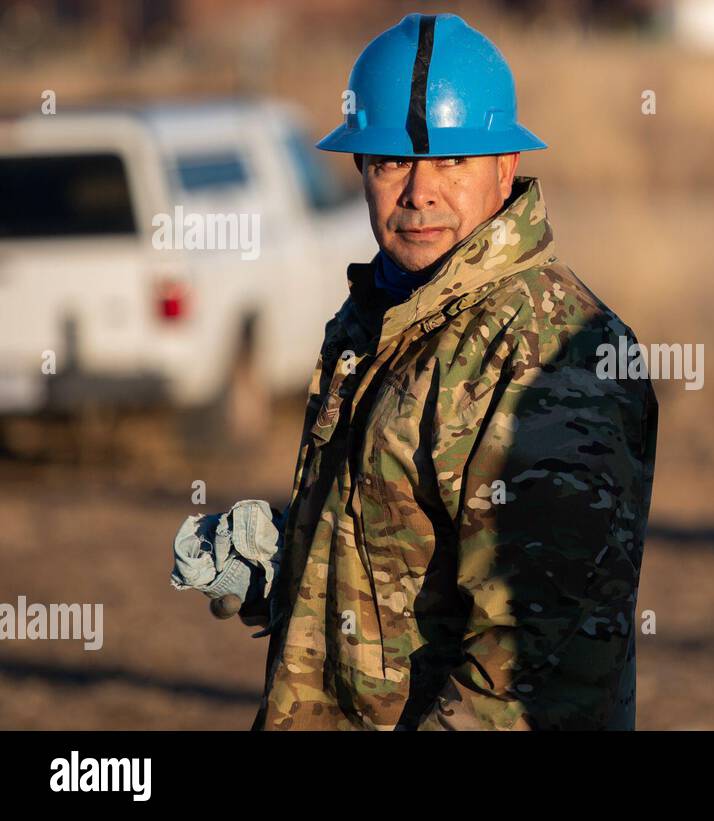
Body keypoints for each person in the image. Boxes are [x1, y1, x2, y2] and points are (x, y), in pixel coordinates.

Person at [172, 12, 657, 731]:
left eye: (451, 162)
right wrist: (291, 563)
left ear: (505, 167)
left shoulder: (553, 354)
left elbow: (534, 669)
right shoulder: (381, 316)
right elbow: (404, 556)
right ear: (362, 171)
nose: (419, 192)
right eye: (393, 162)